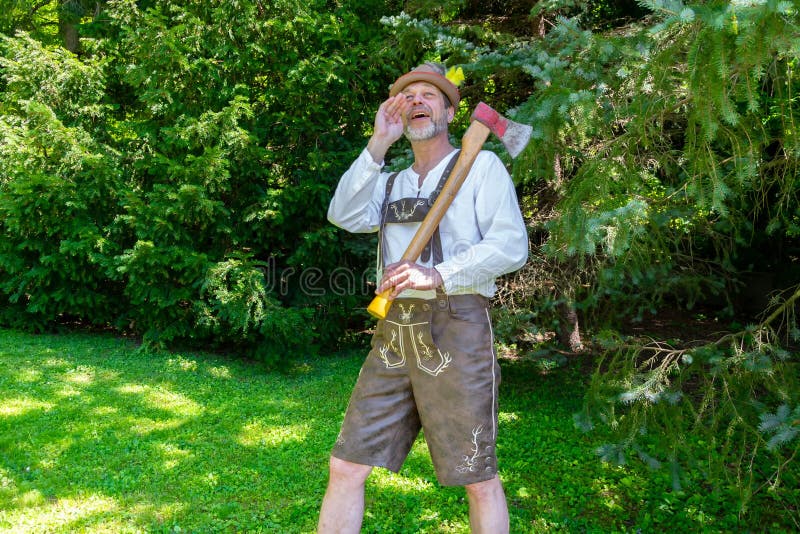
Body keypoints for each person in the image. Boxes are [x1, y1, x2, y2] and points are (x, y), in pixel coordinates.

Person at [318, 62, 528, 533]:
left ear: (451, 112)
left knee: (478, 475)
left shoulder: (481, 167)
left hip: (458, 323)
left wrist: (438, 274)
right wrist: (378, 143)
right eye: (407, 95)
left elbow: (511, 247)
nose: (416, 101)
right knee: (347, 464)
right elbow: (343, 214)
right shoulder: (390, 182)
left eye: (429, 95)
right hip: (395, 330)